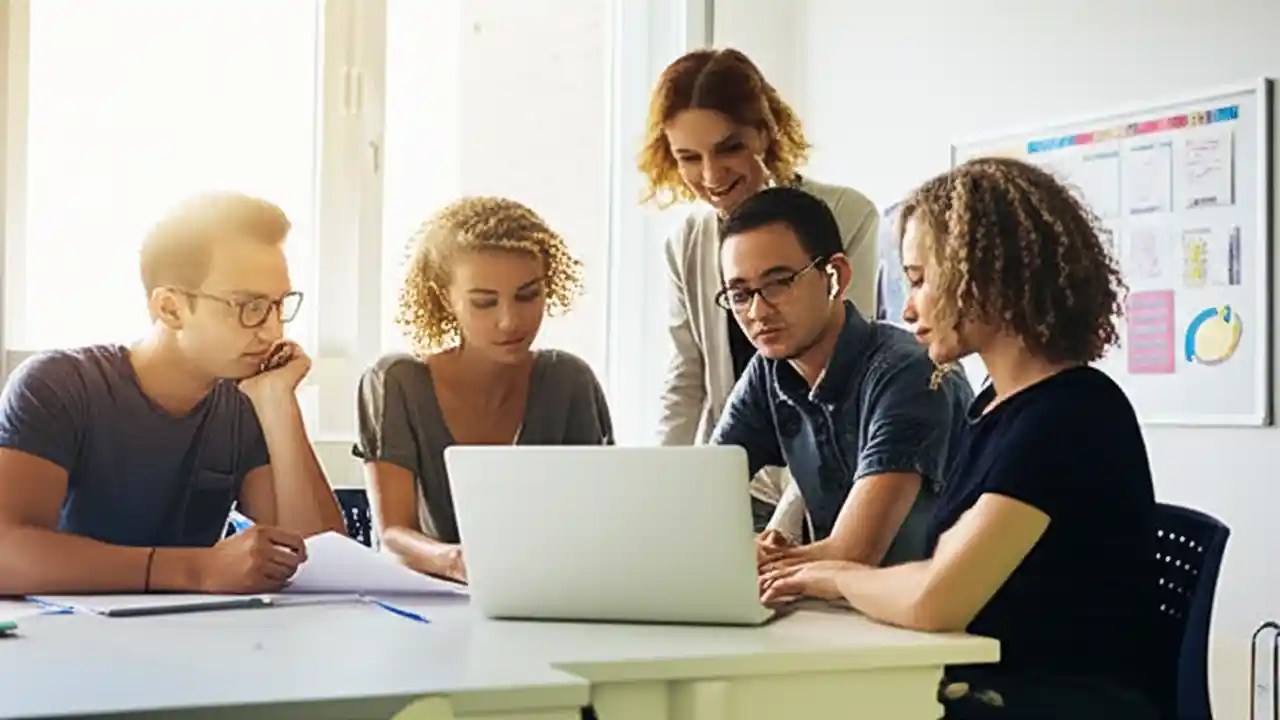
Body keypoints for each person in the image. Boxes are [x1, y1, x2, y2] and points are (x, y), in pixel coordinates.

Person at [761, 158, 1159, 719]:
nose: (908, 309)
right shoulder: (995, 407)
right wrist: (828, 574)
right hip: (990, 683)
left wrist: (839, 577)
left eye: (920, 279)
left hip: (1055, 702)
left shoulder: (1069, 416)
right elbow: (941, 570)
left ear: (988, 276)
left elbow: (936, 600)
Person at [0, 191, 346, 596]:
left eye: (278, 305)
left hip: (195, 629)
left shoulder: (246, 401)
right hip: (62, 629)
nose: (273, 331)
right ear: (170, 308)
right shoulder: (59, 386)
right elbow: (6, 552)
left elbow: (325, 565)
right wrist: (197, 570)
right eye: (248, 306)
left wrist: (278, 402)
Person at [641, 48, 880, 537]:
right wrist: (658, 498)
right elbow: (686, 378)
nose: (711, 176)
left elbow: (842, 375)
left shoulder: (844, 214)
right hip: (735, 482)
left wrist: (784, 526)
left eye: (729, 148)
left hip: (825, 489)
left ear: (765, 133)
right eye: (689, 158)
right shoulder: (686, 241)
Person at [711, 187, 972, 571]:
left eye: (778, 283)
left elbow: (855, 553)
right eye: (739, 294)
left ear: (835, 276)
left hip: (934, 602)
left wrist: (744, 558)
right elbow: (699, 500)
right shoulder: (770, 368)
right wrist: (743, 547)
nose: (757, 312)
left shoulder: (909, 371)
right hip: (843, 599)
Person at [355, 196, 613, 584]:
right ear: (445, 299)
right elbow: (392, 536)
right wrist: (455, 560)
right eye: (483, 303)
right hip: (433, 601)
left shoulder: (568, 381)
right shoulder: (396, 382)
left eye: (527, 295)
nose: (509, 321)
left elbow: (596, 521)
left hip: (550, 593)